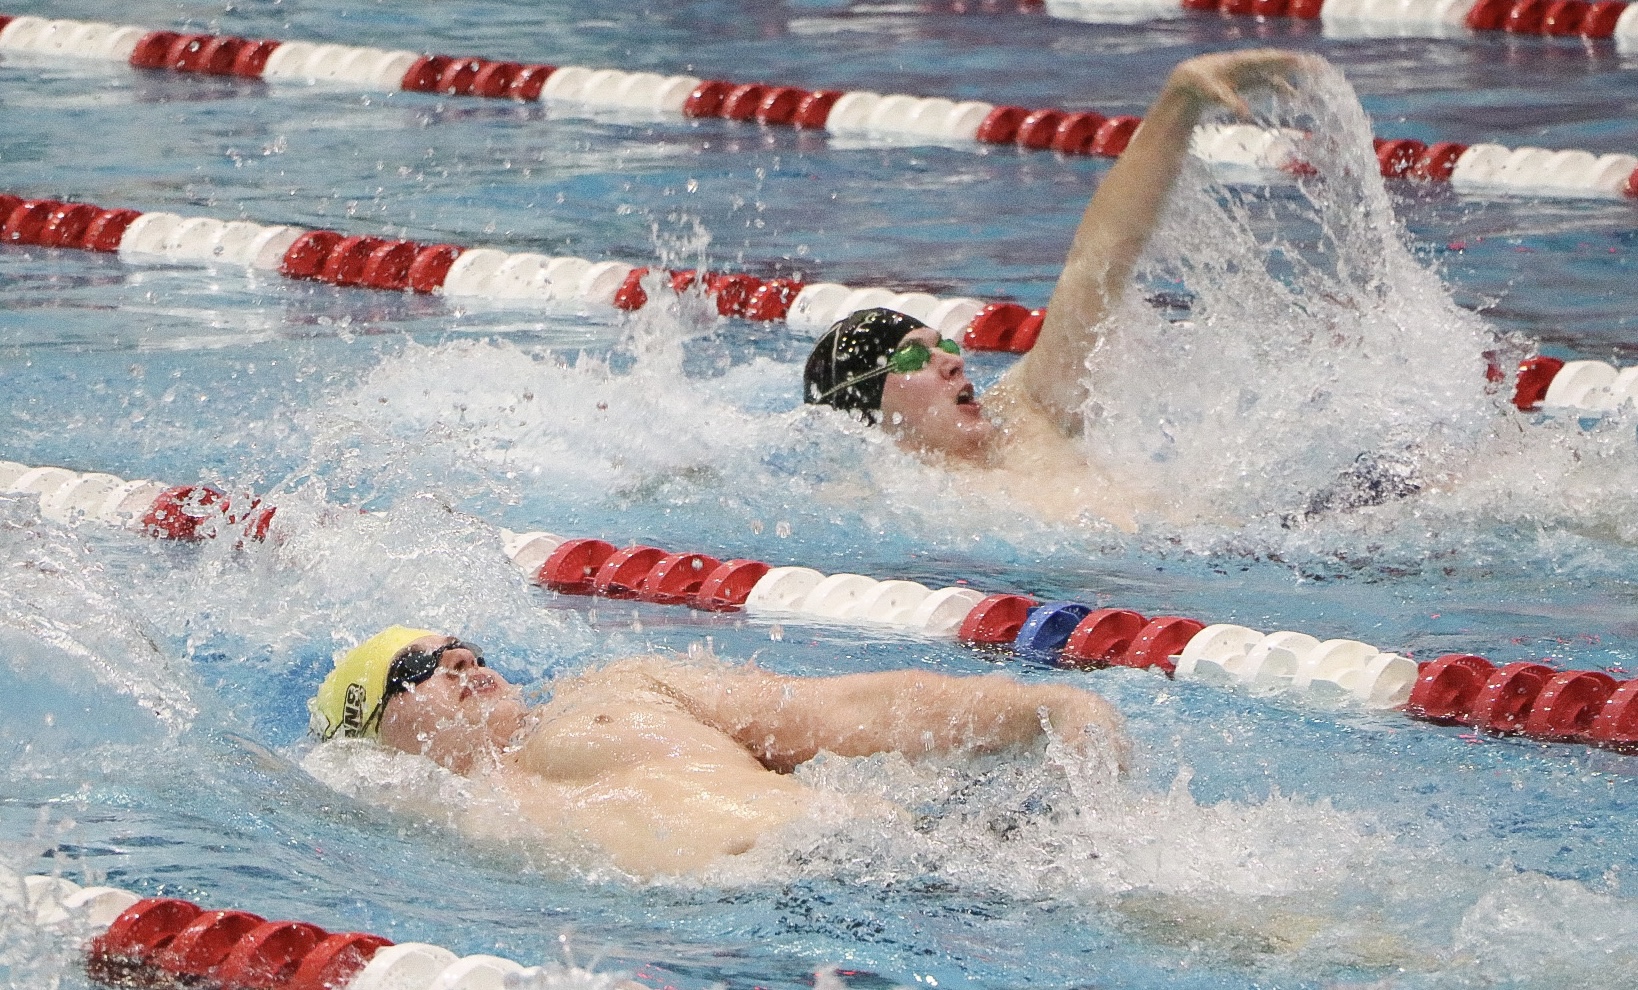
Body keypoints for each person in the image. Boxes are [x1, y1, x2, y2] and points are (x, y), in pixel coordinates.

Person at [802, 49, 1311, 526]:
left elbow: (1101, 257)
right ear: (862, 409)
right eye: (916, 358)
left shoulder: (1029, 412)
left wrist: (1180, 102)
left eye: (946, 347)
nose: (954, 361)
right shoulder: (877, 505)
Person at [309, 626, 1128, 877]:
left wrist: (1046, 707)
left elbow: (839, 707)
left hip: (888, 855)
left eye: (468, 650)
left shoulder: (619, 689)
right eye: (421, 668)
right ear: (376, 727)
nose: (465, 664)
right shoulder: (397, 810)